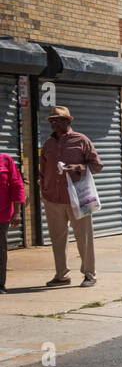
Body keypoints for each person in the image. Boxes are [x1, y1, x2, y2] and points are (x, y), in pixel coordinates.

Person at [39, 105, 102, 288]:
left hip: (79, 198)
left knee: (84, 237)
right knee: (57, 239)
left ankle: (90, 274)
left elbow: (97, 166)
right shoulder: (48, 144)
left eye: (57, 120)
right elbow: (43, 170)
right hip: (53, 199)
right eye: (51, 121)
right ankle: (62, 275)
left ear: (67, 121)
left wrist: (78, 168)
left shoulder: (81, 140)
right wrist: (43, 189)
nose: (53, 124)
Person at [0, 150, 25, 294]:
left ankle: (0, 284)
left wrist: (17, 212)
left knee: (1, 250)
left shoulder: (6, 160)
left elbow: (17, 186)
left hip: (2, 213)